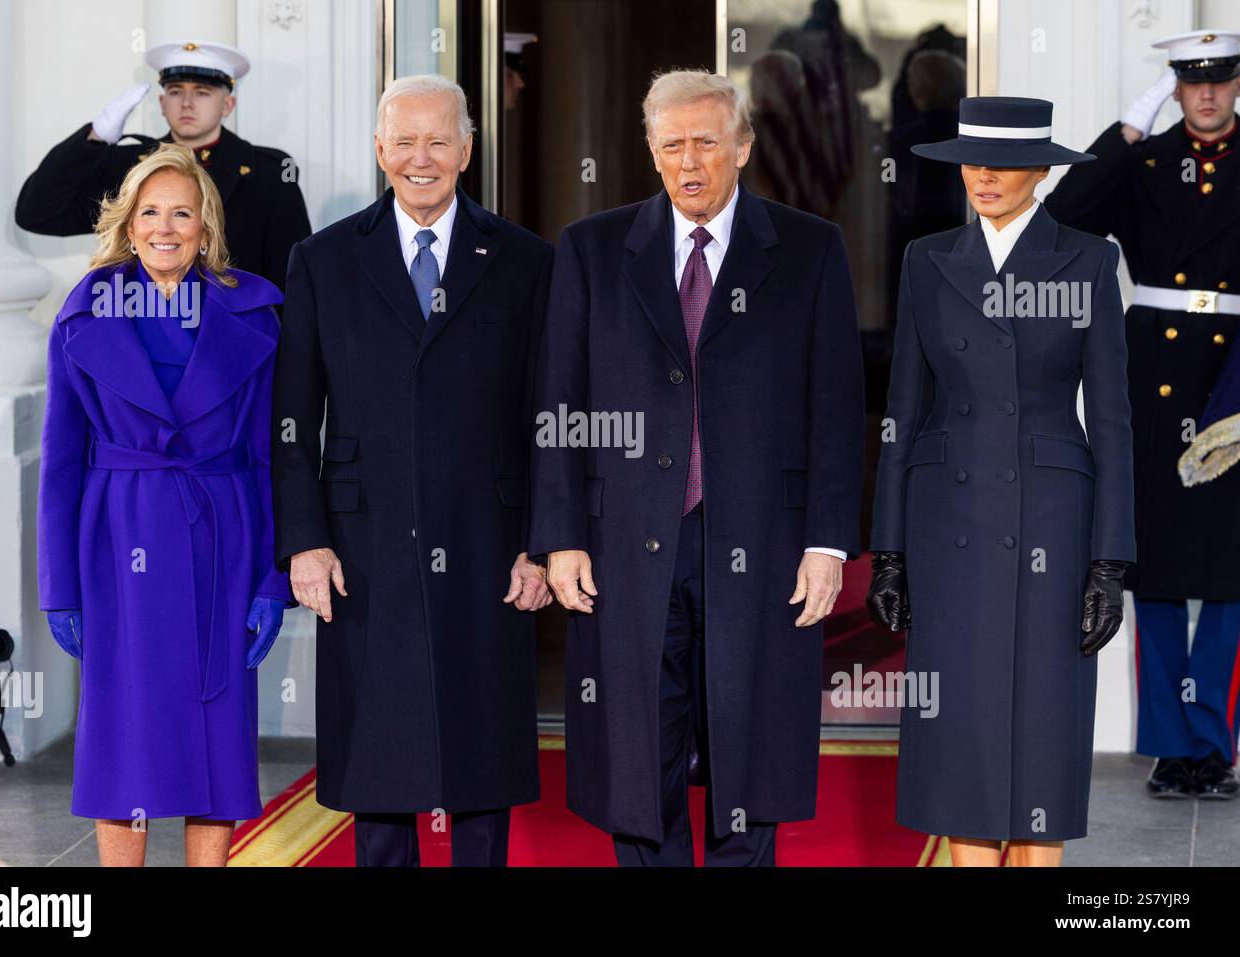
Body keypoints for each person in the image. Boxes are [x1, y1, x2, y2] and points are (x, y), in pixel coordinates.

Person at [529, 69, 864, 867]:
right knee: (640, 752)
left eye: (707, 142)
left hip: (765, 545)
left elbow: (837, 410)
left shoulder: (810, 248)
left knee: (752, 743)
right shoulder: (592, 249)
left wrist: (827, 542)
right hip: (626, 545)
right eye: (672, 144)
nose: (690, 161)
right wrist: (561, 536)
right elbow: (558, 404)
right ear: (650, 151)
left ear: (742, 148)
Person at [271, 75, 553, 867]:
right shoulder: (323, 260)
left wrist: (543, 539)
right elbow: (290, 419)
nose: (420, 159)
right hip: (363, 544)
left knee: (481, 750)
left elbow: (550, 417)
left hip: (489, 540)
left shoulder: (528, 261)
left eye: (438, 141)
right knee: (379, 758)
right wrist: (304, 540)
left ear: (468, 149)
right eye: (403, 141)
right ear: (378, 150)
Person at [867, 96, 1135, 867]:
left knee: (1042, 732)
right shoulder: (927, 257)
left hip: (1053, 523)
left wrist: (1109, 561)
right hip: (945, 525)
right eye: (971, 161)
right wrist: (887, 552)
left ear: (1042, 173)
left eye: (1003, 162)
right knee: (962, 740)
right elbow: (903, 414)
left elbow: (1112, 418)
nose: (982, 175)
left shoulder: (1089, 259)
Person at [37, 144, 293, 866]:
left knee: (217, 738)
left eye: (183, 211)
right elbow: (60, 461)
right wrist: (60, 587)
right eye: (150, 211)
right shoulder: (84, 312)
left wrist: (272, 578)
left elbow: (270, 457)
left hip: (224, 533)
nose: (166, 226)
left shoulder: (256, 312)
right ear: (127, 222)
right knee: (126, 742)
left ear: (206, 227)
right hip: (118, 542)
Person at [1046, 29, 1240, 799]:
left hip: (1232, 376)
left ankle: (1213, 743)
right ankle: (1168, 743)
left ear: (1234, 85)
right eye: (1190, 82)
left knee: (1227, 576)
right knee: (1155, 571)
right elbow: (1066, 213)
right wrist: (1126, 133)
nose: (1206, 94)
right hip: (1154, 375)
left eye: (1219, 80)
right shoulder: (1148, 160)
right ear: (1174, 89)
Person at [15, 40, 310, 292]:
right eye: (176, 91)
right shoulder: (128, 167)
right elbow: (37, 214)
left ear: (227, 105)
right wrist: (95, 138)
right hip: (144, 328)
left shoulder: (268, 172)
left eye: (202, 92)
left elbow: (293, 275)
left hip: (234, 336)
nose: (187, 103)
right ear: (162, 102)